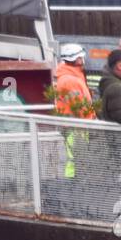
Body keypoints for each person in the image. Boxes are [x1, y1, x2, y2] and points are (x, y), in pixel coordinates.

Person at [52, 43, 94, 180]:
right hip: (77, 127)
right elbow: (79, 106)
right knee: (76, 159)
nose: (83, 60)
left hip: (75, 126)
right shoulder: (70, 80)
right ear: (77, 59)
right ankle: (73, 186)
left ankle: (74, 185)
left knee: (75, 159)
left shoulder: (70, 77)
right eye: (81, 57)